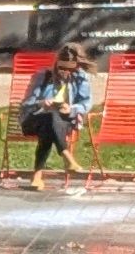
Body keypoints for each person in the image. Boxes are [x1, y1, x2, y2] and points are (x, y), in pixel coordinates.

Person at [9, 50, 94, 189]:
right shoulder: (43, 76)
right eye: (61, 68)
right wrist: (41, 103)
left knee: (49, 123)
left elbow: (86, 103)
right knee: (49, 117)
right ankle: (66, 155)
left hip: (63, 121)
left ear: (76, 67)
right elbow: (27, 103)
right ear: (55, 65)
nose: (65, 72)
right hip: (35, 119)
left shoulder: (80, 78)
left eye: (69, 69)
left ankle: (37, 176)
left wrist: (71, 109)